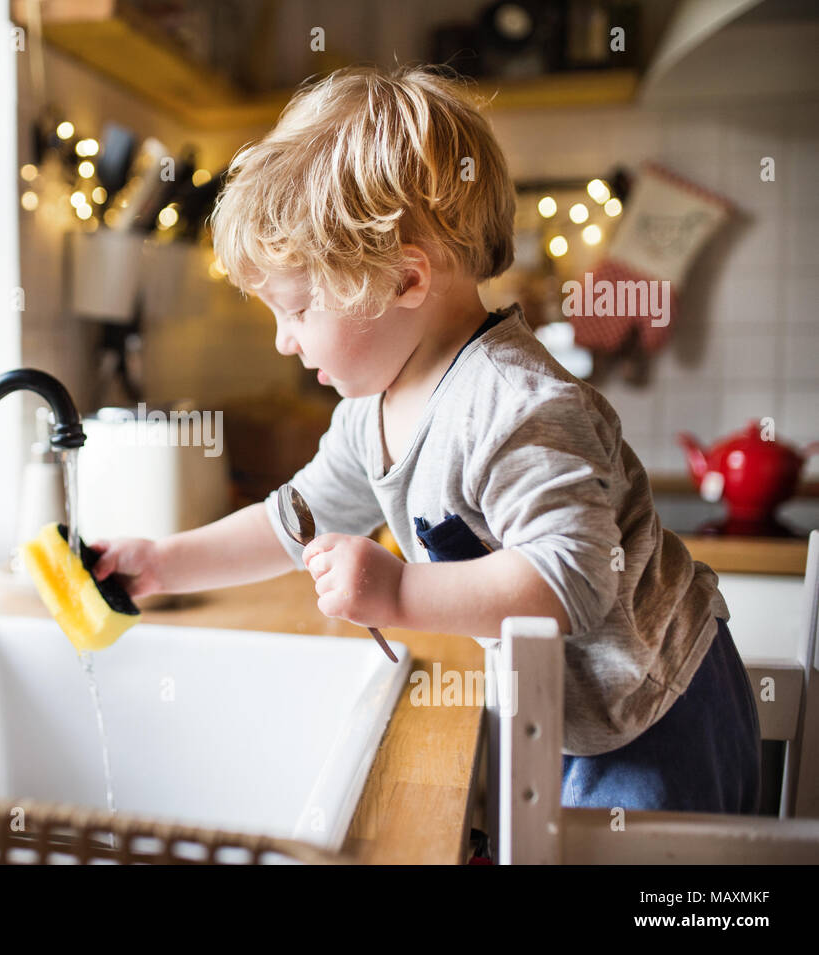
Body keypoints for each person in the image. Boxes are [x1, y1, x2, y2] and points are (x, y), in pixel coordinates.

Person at [90, 65, 760, 815]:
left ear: (407, 280)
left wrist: (399, 589)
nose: (284, 341)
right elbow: (296, 516)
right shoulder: (373, 407)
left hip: (658, 708)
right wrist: (162, 561)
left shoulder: (509, 403)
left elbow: (573, 576)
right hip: (578, 714)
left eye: (300, 306)